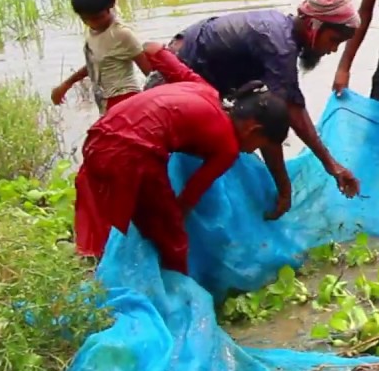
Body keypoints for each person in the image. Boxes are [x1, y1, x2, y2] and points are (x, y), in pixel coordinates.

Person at [74, 43, 291, 272]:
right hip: (131, 154)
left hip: (98, 137)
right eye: (261, 145)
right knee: (172, 237)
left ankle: (96, 264)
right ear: (253, 129)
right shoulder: (227, 146)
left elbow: (156, 52)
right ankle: (179, 290)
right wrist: (176, 224)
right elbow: (189, 196)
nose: (250, 152)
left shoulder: (205, 90)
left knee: (124, 222)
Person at [156, 0, 362, 218]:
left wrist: (329, 165)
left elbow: (291, 108)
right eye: (333, 40)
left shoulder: (280, 30)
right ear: (313, 26)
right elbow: (274, 125)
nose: (333, 50)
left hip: (185, 82)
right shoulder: (280, 47)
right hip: (170, 91)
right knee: (189, 170)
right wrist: (285, 188)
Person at [51, 0, 151, 114]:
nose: (93, 23)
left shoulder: (122, 34)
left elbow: (151, 74)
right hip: (106, 103)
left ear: (111, 4)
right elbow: (95, 64)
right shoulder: (93, 31)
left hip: (125, 102)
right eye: (86, 19)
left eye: (98, 18)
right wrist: (66, 85)